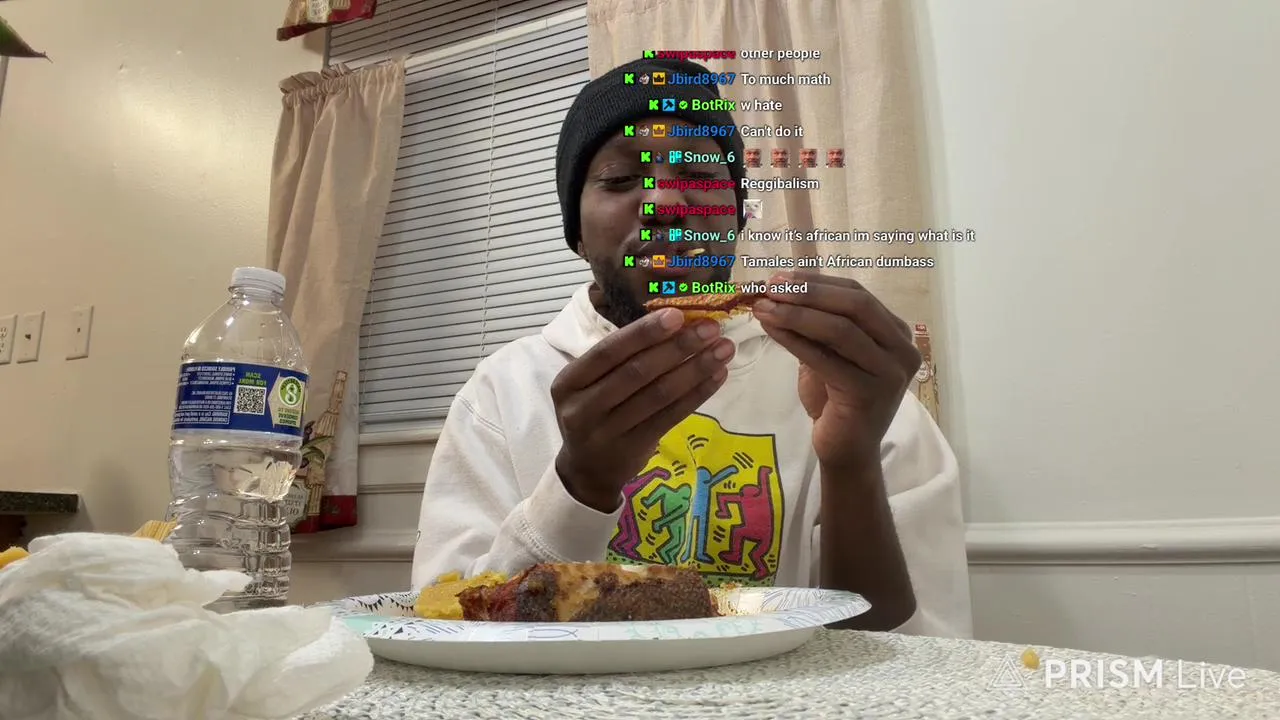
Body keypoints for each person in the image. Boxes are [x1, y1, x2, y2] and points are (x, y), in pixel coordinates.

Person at [410, 57, 972, 636]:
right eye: (619, 179)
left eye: (699, 173)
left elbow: (918, 658)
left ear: (737, 215)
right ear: (576, 232)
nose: (664, 202)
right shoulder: (501, 394)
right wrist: (580, 484)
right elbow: (443, 631)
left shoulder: (845, 383)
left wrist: (851, 461)